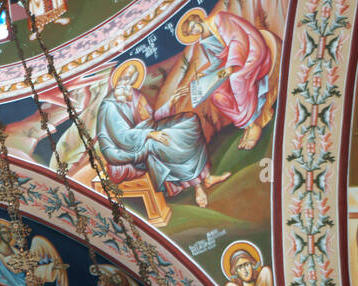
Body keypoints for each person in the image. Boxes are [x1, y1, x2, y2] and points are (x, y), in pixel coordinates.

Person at [96, 64, 230, 207]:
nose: (125, 83)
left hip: (147, 134)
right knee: (168, 141)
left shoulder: (134, 94)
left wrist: (170, 102)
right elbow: (122, 138)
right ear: (116, 80)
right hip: (126, 151)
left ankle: (208, 177)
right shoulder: (109, 106)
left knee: (190, 121)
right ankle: (198, 186)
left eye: (130, 79)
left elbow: (150, 120)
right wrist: (151, 134)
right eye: (123, 78)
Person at [175, 7, 274, 150]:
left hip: (249, 49)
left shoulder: (218, 19)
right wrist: (205, 74)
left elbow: (237, 40)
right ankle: (246, 124)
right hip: (230, 62)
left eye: (193, 28)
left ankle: (254, 124)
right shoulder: (203, 40)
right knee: (217, 95)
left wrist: (232, 63)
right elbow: (216, 61)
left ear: (198, 19)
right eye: (191, 32)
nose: (194, 32)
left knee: (236, 79)